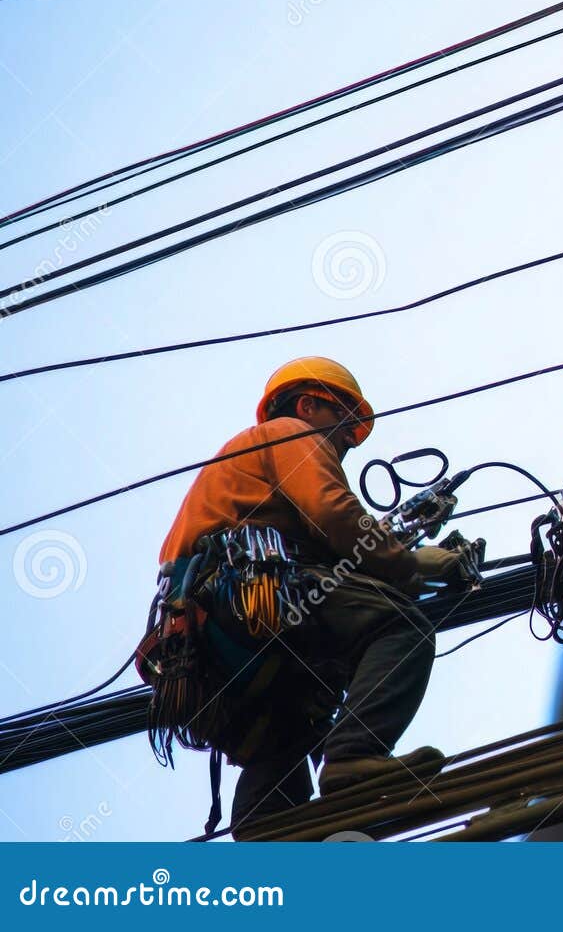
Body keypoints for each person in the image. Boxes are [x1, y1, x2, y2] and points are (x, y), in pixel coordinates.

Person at [155, 357, 470, 833]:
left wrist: (396, 552)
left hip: (207, 645)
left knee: (290, 726)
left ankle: (268, 841)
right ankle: (353, 756)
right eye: (345, 423)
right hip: (246, 595)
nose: (348, 441)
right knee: (402, 624)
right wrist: (411, 565)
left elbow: (334, 554)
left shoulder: (247, 470)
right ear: (308, 404)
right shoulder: (288, 433)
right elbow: (335, 513)